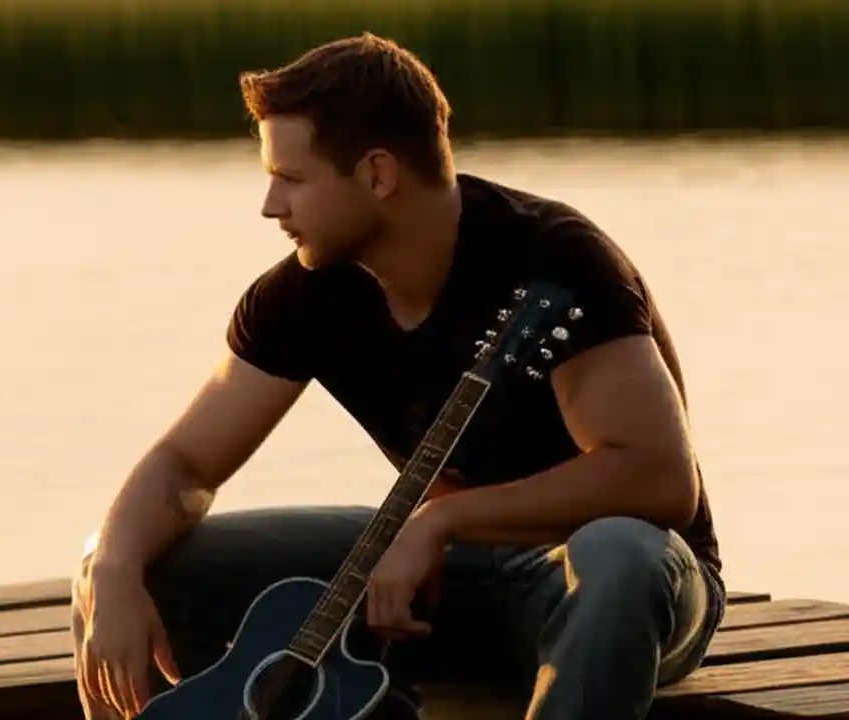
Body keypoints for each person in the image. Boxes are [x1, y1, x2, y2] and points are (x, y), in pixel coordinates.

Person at [70, 32, 726, 720]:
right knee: (136, 562)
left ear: (378, 175)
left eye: (291, 178)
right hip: (440, 583)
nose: (270, 205)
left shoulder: (555, 259)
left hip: (617, 591)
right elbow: (182, 465)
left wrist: (442, 520)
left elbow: (657, 479)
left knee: (616, 551)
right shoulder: (306, 291)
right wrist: (112, 569)